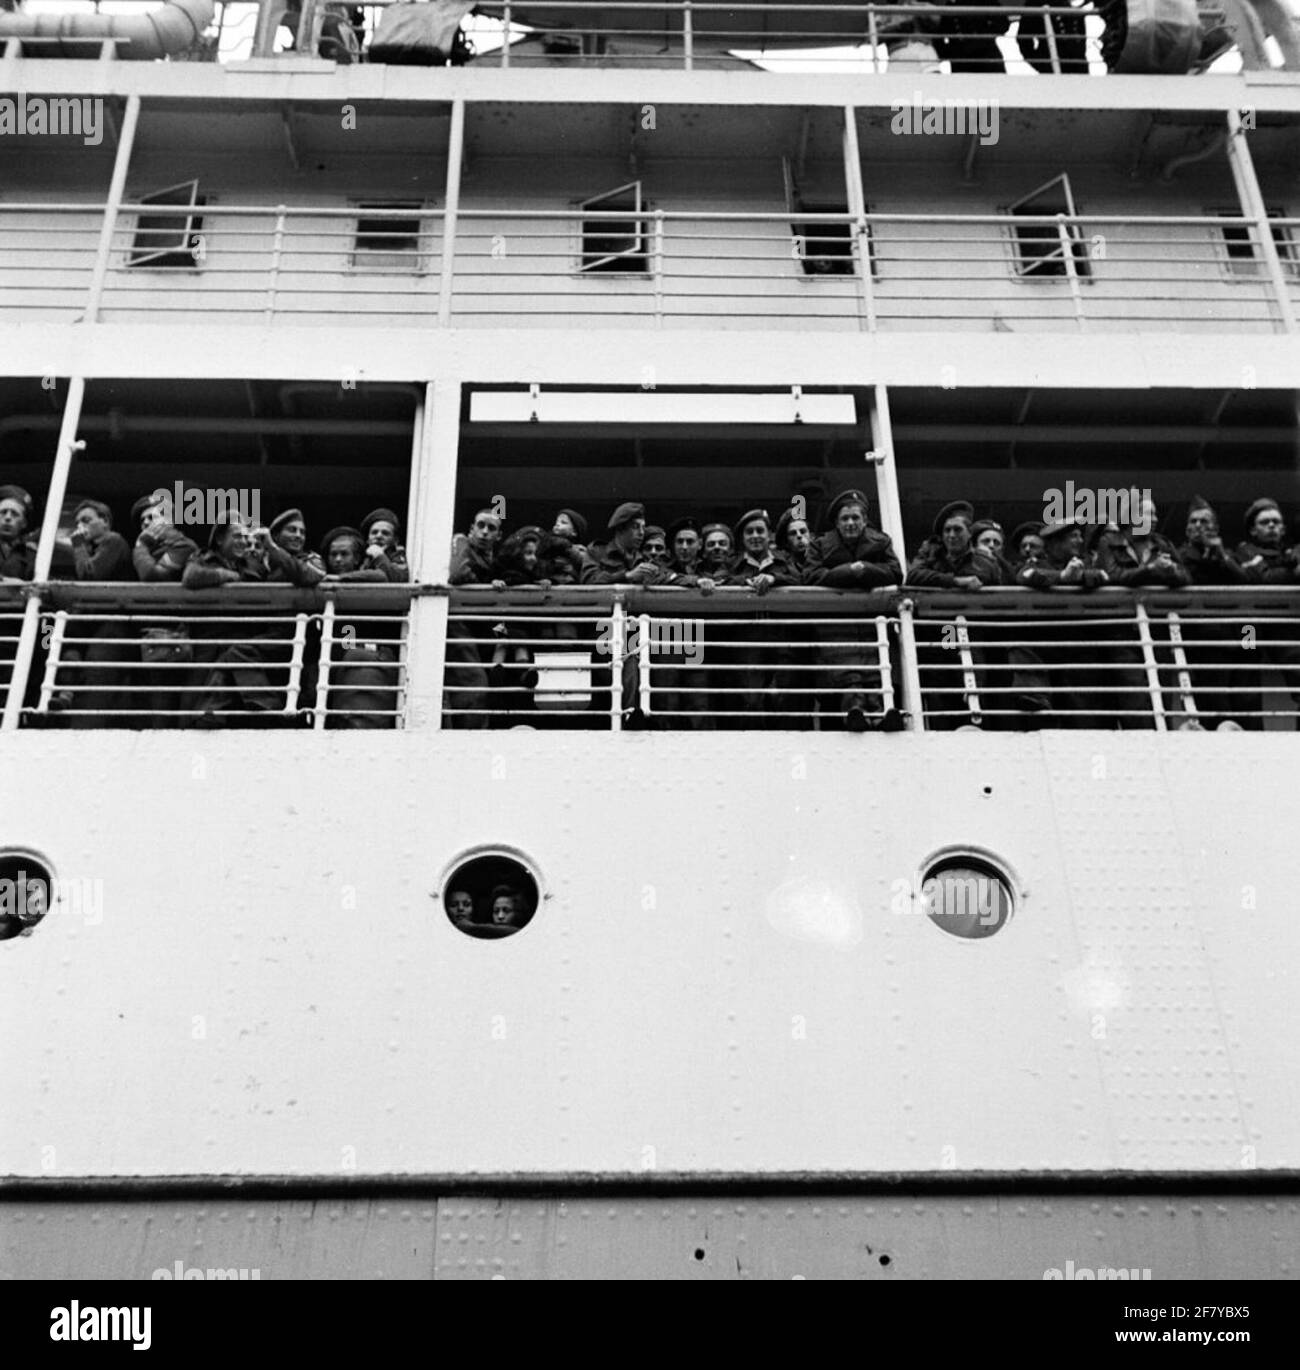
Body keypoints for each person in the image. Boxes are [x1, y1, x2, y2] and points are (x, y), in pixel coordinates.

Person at [184, 515, 316, 723]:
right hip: (209, 641)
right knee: (193, 704)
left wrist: (270, 549)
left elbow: (309, 576)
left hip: (251, 640)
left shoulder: (258, 565)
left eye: (247, 537)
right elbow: (191, 577)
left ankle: (266, 712)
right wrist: (229, 577)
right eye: (238, 536)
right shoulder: (204, 557)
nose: (245, 543)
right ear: (220, 539)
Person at [805, 489, 903, 730]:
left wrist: (866, 569)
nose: (850, 523)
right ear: (837, 523)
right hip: (838, 626)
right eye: (845, 519)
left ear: (865, 520)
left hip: (871, 623)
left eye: (855, 518)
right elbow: (810, 576)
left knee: (876, 672)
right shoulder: (820, 545)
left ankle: (881, 716)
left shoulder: (881, 542)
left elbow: (896, 574)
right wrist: (849, 571)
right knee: (848, 676)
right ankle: (853, 715)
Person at [49, 500, 135, 719]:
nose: (81, 526)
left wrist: (77, 543)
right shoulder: (90, 549)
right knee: (65, 643)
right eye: (78, 522)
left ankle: (86, 714)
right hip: (90, 621)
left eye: (86, 520)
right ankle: (66, 691)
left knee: (97, 673)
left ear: (105, 521)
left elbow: (90, 575)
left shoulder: (113, 541)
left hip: (110, 622)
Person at [1174, 496, 1249, 729]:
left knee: (1247, 691)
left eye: (1205, 522)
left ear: (1215, 528)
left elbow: (1245, 581)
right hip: (1203, 636)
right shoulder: (1179, 555)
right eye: (1194, 522)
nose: (1199, 526)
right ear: (1187, 529)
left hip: (1246, 634)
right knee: (1212, 694)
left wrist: (1220, 557)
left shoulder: (1230, 555)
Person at [1235, 498, 1300, 721]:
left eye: (1276, 522)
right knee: (1247, 670)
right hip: (1249, 624)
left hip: (1282, 625)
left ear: (1283, 528)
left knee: (1296, 668)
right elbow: (1265, 579)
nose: (1271, 526)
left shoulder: (1293, 552)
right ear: (1253, 529)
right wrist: (1291, 571)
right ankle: (1251, 732)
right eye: (1265, 522)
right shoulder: (1245, 551)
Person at [445, 509, 505, 727]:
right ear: (471, 529)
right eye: (480, 526)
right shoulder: (461, 542)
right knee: (475, 684)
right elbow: (457, 574)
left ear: (498, 536)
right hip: (459, 625)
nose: (485, 532)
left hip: (481, 628)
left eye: (491, 528)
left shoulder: (494, 560)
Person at [905, 501, 999, 590]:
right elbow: (913, 576)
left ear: (970, 533)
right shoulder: (931, 553)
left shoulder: (985, 562)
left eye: (957, 529)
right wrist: (954, 581)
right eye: (947, 530)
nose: (952, 535)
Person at [131, 492, 199, 582]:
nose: (145, 523)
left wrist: (141, 545)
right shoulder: (144, 550)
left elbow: (152, 575)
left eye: (151, 517)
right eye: (142, 520)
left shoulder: (184, 546)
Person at [270, 508, 326, 586]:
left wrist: (273, 549)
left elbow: (311, 576)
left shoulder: (311, 559)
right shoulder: (265, 559)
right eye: (292, 530)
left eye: (302, 532)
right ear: (276, 535)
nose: (298, 535)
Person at [359, 507, 410, 583]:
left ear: (395, 540)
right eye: (374, 532)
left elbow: (397, 579)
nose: (379, 536)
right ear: (368, 540)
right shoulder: (364, 560)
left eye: (385, 533)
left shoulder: (399, 557)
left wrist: (379, 556)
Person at [0, 484, 37, 581]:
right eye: (3, 512)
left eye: (14, 514)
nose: (8, 518)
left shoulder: (31, 555)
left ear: (23, 523)